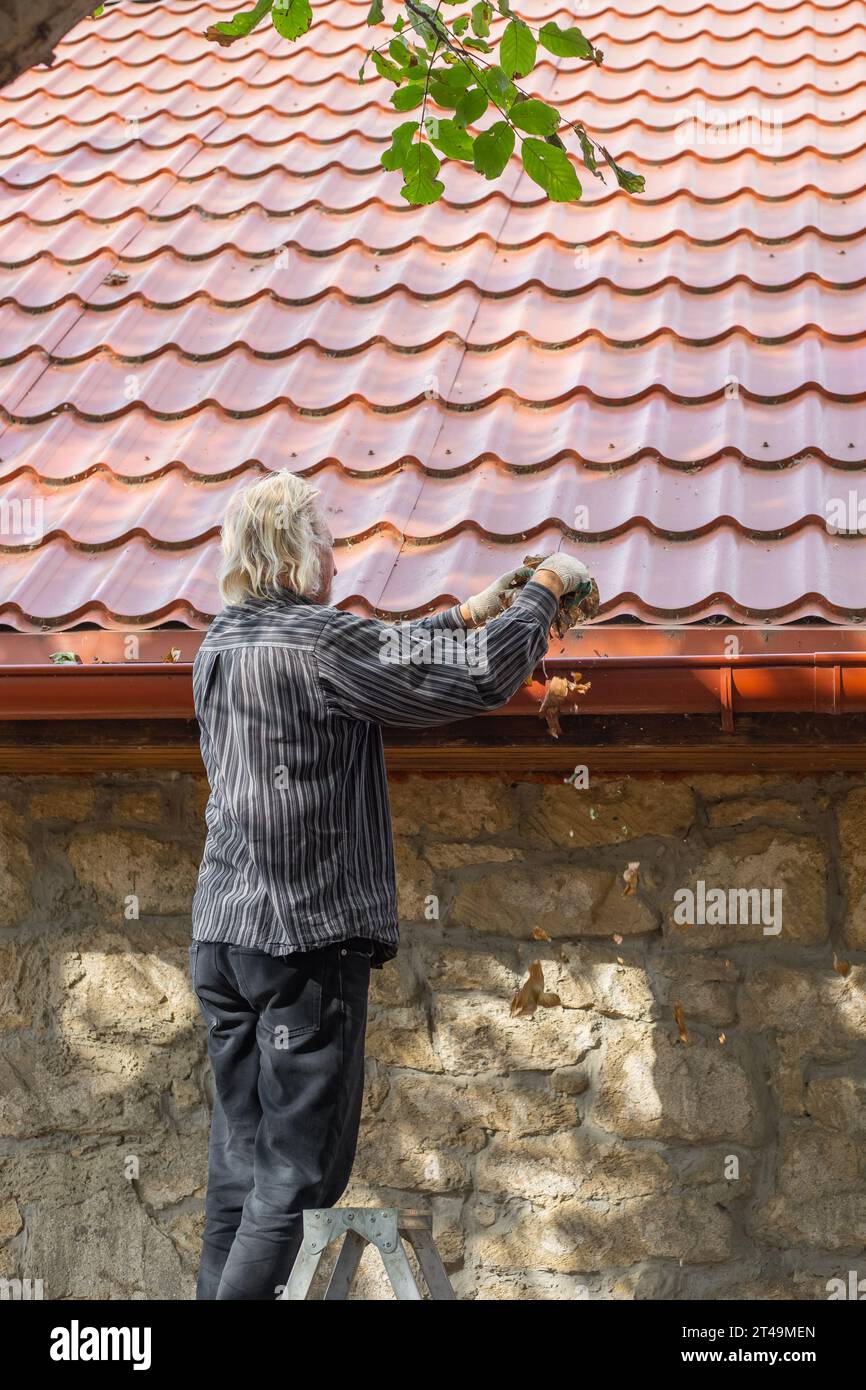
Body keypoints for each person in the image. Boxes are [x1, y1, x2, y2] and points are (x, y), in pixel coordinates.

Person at [189, 470, 591, 1299]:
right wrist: (544, 596)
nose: (336, 559)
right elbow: (475, 680)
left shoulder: (219, 644)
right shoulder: (322, 644)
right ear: (302, 554)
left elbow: (391, 652)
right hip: (303, 939)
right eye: (328, 543)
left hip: (224, 940)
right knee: (298, 1180)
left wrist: (476, 609)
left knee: (240, 1169)